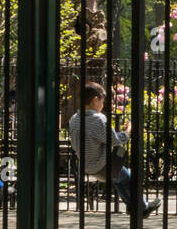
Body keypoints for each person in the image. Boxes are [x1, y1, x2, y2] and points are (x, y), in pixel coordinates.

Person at [68, 83, 160, 217]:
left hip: (86, 165)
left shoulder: (74, 119)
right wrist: (128, 130)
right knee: (130, 179)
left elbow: (97, 137)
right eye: (102, 101)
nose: (102, 105)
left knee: (119, 181)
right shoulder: (98, 119)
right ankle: (143, 207)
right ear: (95, 100)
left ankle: (132, 207)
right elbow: (115, 141)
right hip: (103, 164)